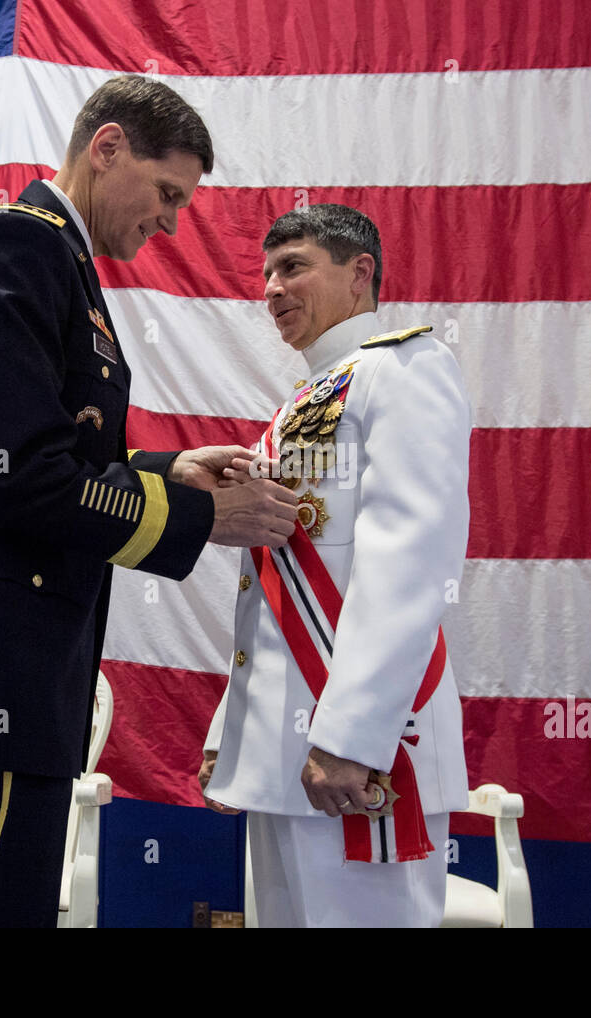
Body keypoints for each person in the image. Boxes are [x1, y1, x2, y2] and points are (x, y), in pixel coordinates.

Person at [0, 75, 297, 928]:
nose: (172, 221)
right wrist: (207, 519)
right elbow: (21, 479)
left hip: (14, 664)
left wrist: (166, 472)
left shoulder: (56, 261)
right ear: (106, 149)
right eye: (167, 193)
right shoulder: (15, 253)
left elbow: (43, 445)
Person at [197, 204, 471, 927]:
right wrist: (233, 727)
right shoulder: (307, 400)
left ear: (360, 274)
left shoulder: (404, 371)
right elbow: (271, 585)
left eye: (293, 268)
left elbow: (407, 564)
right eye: (265, 274)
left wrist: (352, 737)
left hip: (361, 749)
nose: (272, 290)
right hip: (288, 749)